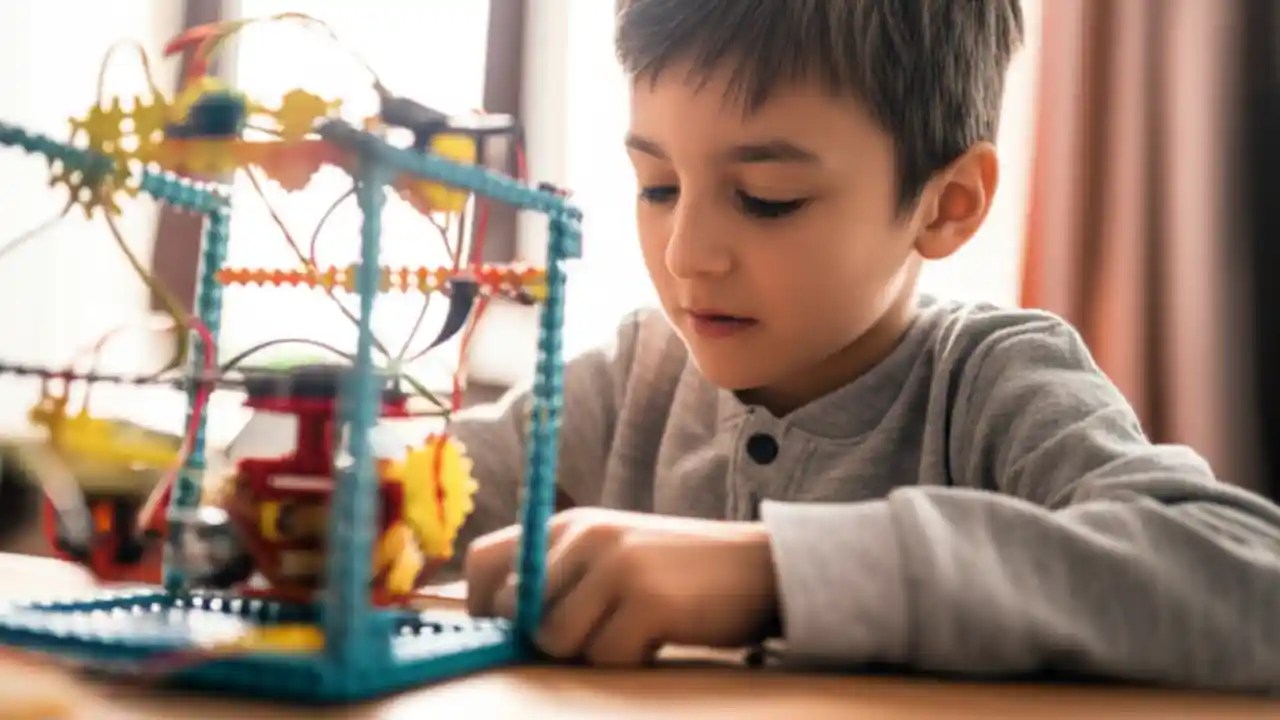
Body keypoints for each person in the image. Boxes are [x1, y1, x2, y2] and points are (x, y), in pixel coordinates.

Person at [449, 0, 1280, 691]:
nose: (685, 254)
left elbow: (1249, 582)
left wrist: (768, 575)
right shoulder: (633, 379)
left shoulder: (993, 385)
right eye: (657, 186)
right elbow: (419, 496)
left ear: (946, 204)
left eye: (767, 197)